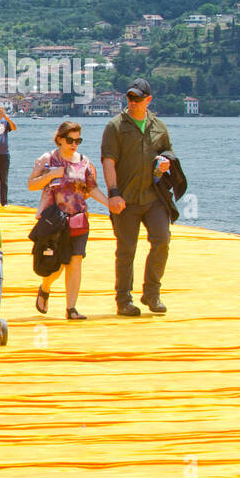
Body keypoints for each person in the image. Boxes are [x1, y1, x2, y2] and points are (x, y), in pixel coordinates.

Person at [101, 78, 176, 316]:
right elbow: (108, 161)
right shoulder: (115, 126)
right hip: (126, 199)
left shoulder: (159, 127)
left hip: (154, 198)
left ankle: (152, 294)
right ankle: (123, 300)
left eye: (137, 99)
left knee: (162, 241)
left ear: (148, 100)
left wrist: (166, 161)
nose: (132, 103)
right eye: (129, 98)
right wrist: (113, 193)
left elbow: (168, 151)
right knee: (126, 251)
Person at [29, 120, 110, 320]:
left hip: (78, 219)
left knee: (75, 261)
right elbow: (31, 185)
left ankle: (71, 308)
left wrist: (110, 204)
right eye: (70, 140)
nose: (74, 144)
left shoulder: (84, 162)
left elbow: (92, 188)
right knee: (55, 265)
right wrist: (51, 175)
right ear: (59, 140)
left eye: (78, 140)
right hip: (54, 221)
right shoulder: (47, 159)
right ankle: (45, 288)